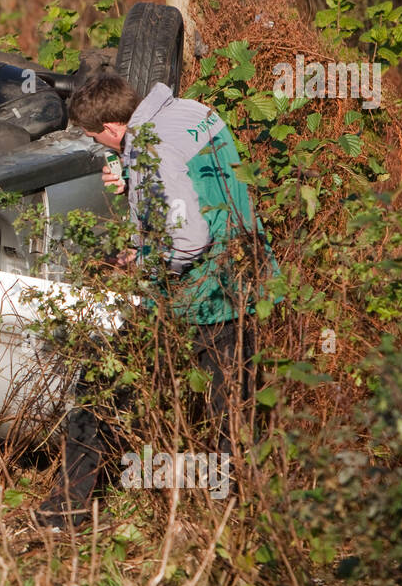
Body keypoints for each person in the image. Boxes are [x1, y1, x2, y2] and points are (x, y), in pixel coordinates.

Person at [40, 73, 278, 528]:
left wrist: (140, 268)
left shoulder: (148, 150)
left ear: (111, 128)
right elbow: (195, 186)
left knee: (100, 390)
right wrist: (134, 183)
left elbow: (188, 240)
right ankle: (240, 520)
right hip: (244, 280)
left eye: (98, 140)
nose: (104, 150)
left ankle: (68, 508)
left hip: (194, 294)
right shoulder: (190, 112)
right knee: (232, 414)